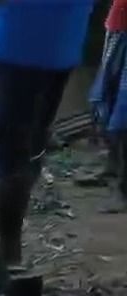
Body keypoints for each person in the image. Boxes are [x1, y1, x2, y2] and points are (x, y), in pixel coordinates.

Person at [0, 0, 95, 266]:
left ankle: (9, 249)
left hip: (14, 46)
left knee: (8, 147)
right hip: (63, 45)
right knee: (31, 140)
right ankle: (8, 225)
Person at [90, 0, 127, 212]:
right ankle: (113, 167)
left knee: (123, 115)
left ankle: (124, 190)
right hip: (118, 27)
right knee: (108, 101)